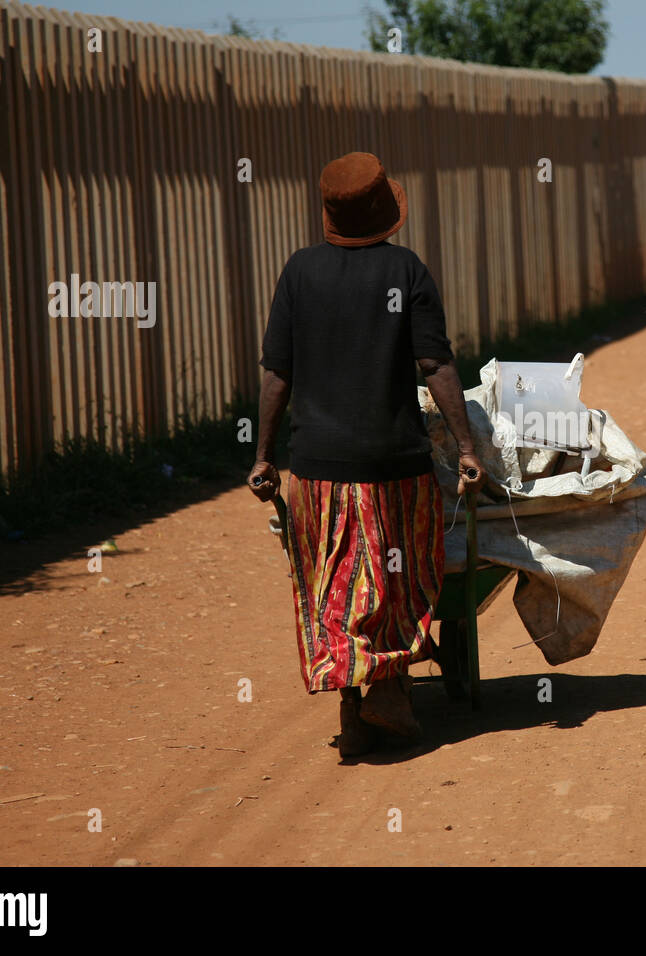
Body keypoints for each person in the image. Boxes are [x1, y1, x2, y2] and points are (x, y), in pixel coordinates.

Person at [248, 151, 487, 756]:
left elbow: (278, 373)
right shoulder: (405, 271)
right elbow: (433, 364)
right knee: (394, 575)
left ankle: (357, 698)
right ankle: (386, 684)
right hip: (393, 466)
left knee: (335, 580)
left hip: (320, 469)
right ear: (384, 212)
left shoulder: (300, 272)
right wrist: (465, 446)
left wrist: (263, 455)